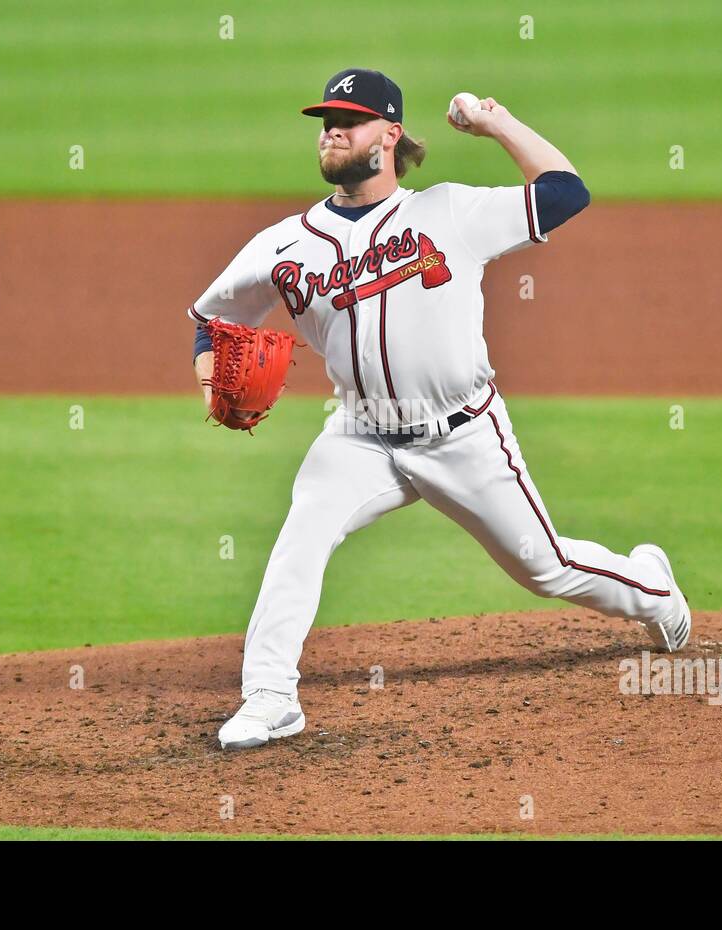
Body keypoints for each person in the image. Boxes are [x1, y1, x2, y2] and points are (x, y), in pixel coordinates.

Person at [186, 68, 691, 750]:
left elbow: (566, 193)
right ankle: (270, 696)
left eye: (351, 118)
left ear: (390, 134)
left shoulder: (450, 212)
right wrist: (213, 382)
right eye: (326, 121)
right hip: (359, 435)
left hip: (463, 434)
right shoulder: (284, 245)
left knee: (545, 566)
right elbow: (210, 319)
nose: (332, 130)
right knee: (302, 533)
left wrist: (498, 124)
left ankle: (655, 592)